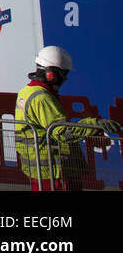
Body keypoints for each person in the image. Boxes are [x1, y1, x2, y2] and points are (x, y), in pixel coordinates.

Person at [14, 45, 121, 190]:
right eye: (64, 74)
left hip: (40, 169)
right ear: (51, 74)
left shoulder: (27, 91)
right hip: (54, 171)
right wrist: (95, 125)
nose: (65, 79)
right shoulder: (42, 98)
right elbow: (62, 132)